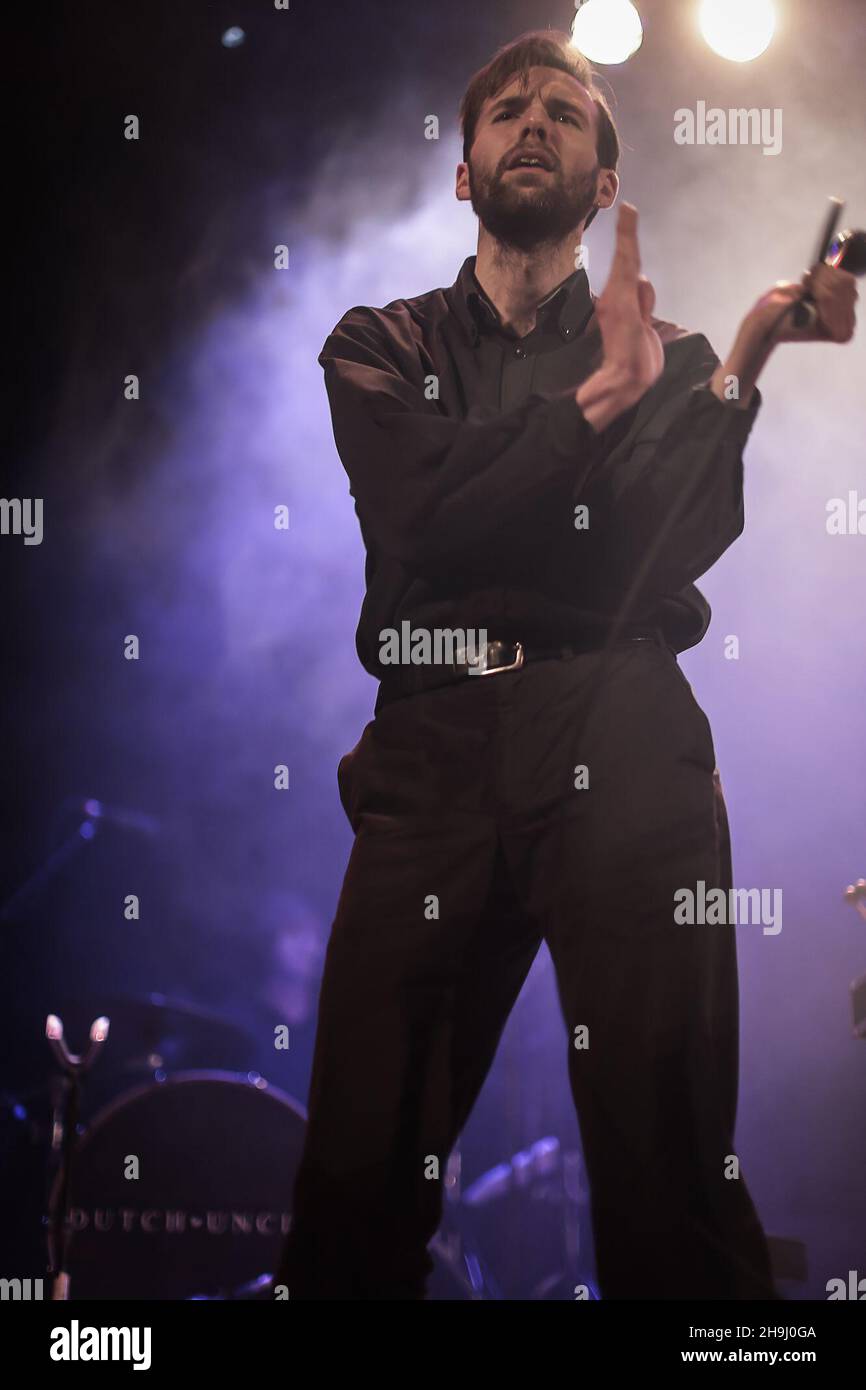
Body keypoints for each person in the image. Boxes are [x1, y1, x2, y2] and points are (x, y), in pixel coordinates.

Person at [274, 29, 857, 1300]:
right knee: (359, 1163)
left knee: (666, 1154)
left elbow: (663, 544)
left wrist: (747, 349)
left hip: (616, 722)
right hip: (431, 745)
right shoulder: (380, 344)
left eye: (566, 114)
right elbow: (422, 518)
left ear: (604, 185)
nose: (532, 122)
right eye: (507, 110)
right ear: (463, 167)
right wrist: (597, 408)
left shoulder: (673, 359)